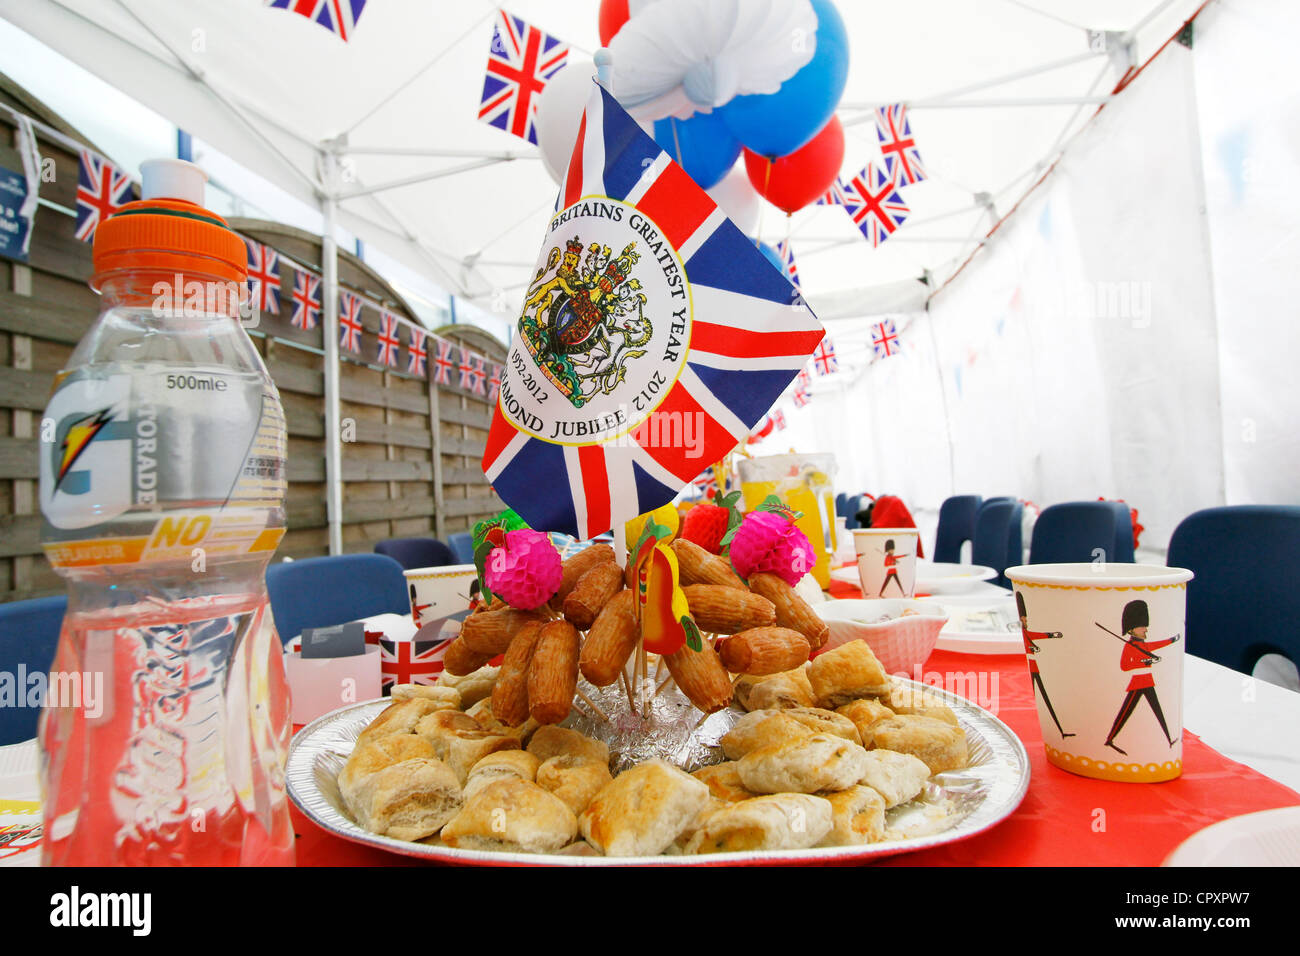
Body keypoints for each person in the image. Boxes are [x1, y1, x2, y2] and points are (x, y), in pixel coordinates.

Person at [1103, 599, 1179, 756]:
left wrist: (1172, 640)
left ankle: (1169, 738)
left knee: (1158, 710)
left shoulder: (1144, 645)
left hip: (1148, 681)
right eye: (1142, 626)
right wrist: (1145, 661)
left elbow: (1157, 645)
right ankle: (1110, 739)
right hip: (1137, 683)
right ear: (1132, 629)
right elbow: (1124, 666)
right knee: (1126, 712)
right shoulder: (1129, 646)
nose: (1146, 629)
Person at [1016, 591, 1074, 739]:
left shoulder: (1029, 633)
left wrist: (1052, 635)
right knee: (1041, 701)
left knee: (1045, 700)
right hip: (1033, 668)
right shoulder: (1026, 633)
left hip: (1036, 668)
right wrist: (1034, 648)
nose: (1026, 620)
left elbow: (1038, 635)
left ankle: (1060, 731)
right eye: (1024, 618)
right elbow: (1031, 640)